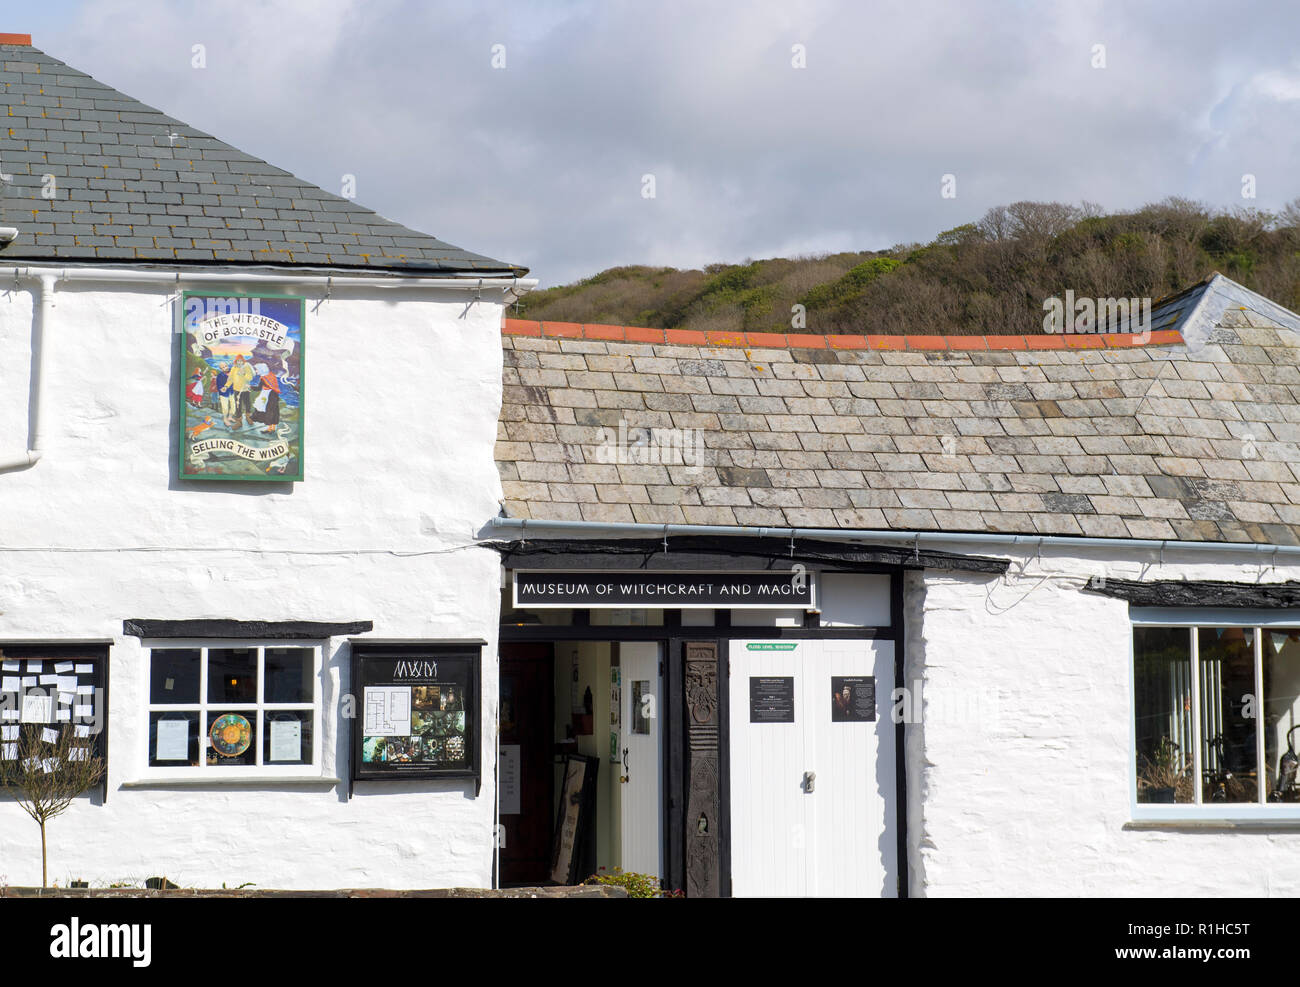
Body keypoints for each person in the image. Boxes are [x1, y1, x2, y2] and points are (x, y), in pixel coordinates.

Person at [250, 362, 282, 435]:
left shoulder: (263, 378)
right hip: (274, 394)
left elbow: (258, 388)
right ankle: (272, 428)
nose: (256, 371)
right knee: (274, 411)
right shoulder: (272, 375)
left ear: (261, 369)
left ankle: (269, 428)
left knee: (269, 411)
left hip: (268, 395)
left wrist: (249, 387)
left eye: (257, 370)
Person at [228, 354, 255, 428]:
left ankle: (248, 418)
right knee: (238, 406)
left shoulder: (246, 368)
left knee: (247, 404)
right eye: (238, 361)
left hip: (245, 389)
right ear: (235, 362)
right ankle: (239, 422)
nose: (239, 362)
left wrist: (244, 373)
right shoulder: (233, 368)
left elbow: (250, 378)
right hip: (236, 390)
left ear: (243, 361)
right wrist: (226, 386)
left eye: (241, 361)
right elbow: (230, 378)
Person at [214, 362, 235, 427]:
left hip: (232, 392)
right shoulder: (220, 376)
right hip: (224, 394)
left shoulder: (232, 372)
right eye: (223, 367)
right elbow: (218, 385)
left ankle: (230, 417)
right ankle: (225, 419)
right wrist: (222, 389)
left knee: (233, 407)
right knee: (225, 408)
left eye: (226, 366)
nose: (225, 368)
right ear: (221, 369)